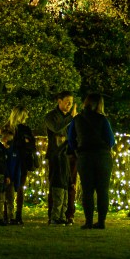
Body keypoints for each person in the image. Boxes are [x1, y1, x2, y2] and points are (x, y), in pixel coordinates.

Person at [67, 93, 115, 229]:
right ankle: (101, 221)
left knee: (87, 190)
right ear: (100, 104)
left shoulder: (77, 120)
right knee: (103, 190)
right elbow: (111, 140)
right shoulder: (102, 119)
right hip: (102, 156)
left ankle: (88, 221)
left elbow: (71, 139)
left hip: (85, 156)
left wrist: (77, 149)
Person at [44, 92, 77, 225]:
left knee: (68, 185)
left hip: (69, 153)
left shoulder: (72, 117)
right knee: (56, 184)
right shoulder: (51, 117)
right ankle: (54, 216)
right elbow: (56, 128)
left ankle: (66, 215)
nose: (69, 105)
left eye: (71, 102)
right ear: (59, 101)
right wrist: (70, 117)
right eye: (67, 101)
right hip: (56, 154)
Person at [5, 106, 36, 226]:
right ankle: (15, 215)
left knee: (11, 188)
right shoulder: (21, 129)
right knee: (18, 188)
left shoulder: (9, 128)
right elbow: (30, 145)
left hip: (15, 160)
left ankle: (9, 214)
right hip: (20, 160)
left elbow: (31, 144)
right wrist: (25, 143)